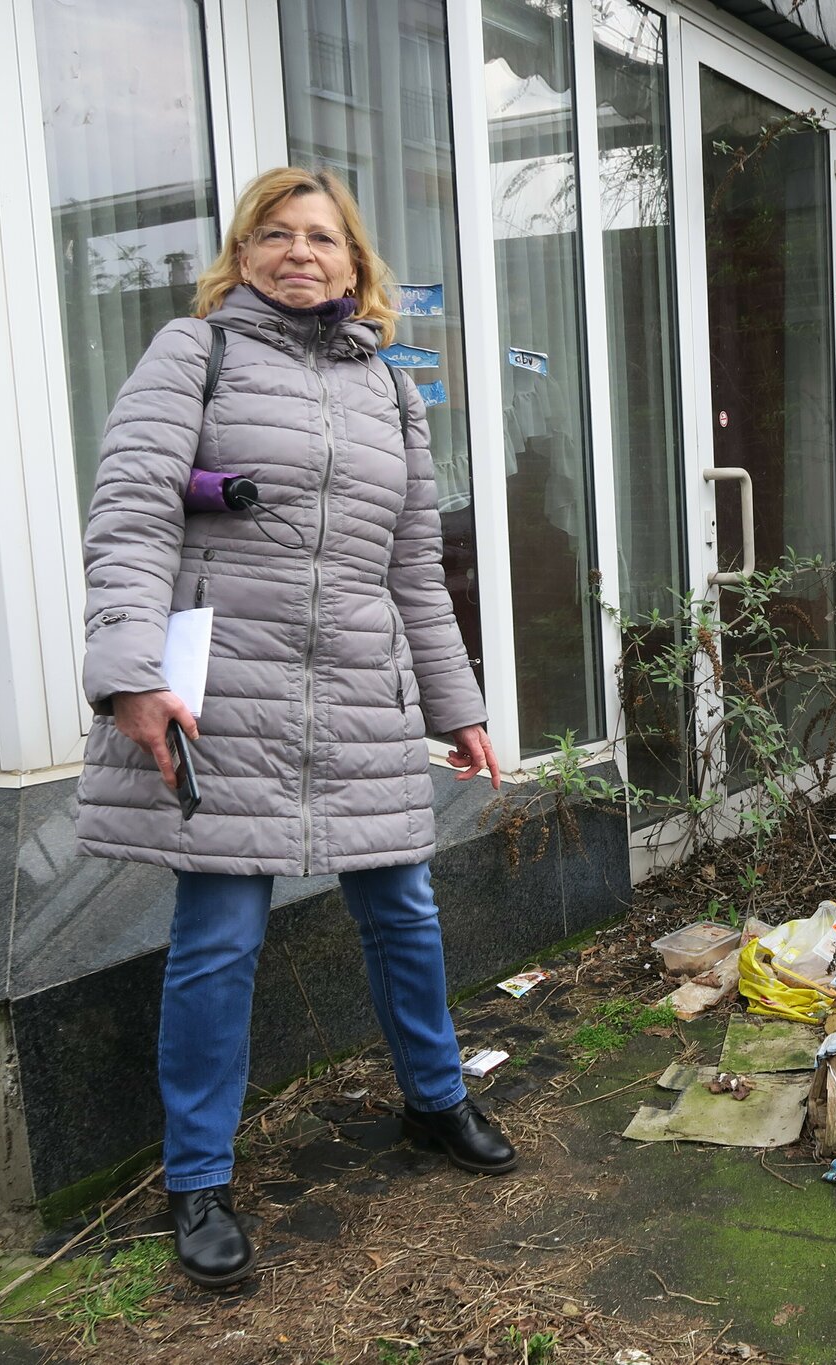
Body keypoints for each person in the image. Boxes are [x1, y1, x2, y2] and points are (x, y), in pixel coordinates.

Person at [75, 167, 516, 1290]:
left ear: (355, 263)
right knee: (219, 938)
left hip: (362, 695)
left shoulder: (391, 394)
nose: (298, 252)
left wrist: (456, 704)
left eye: (320, 236)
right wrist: (128, 673)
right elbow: (128, 510)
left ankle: (434, 1100)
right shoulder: (194, 354)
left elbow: (413, 567)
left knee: (404, 909)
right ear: (243, 253)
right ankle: (197, 1182)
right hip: (229, 693)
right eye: (274, 234)